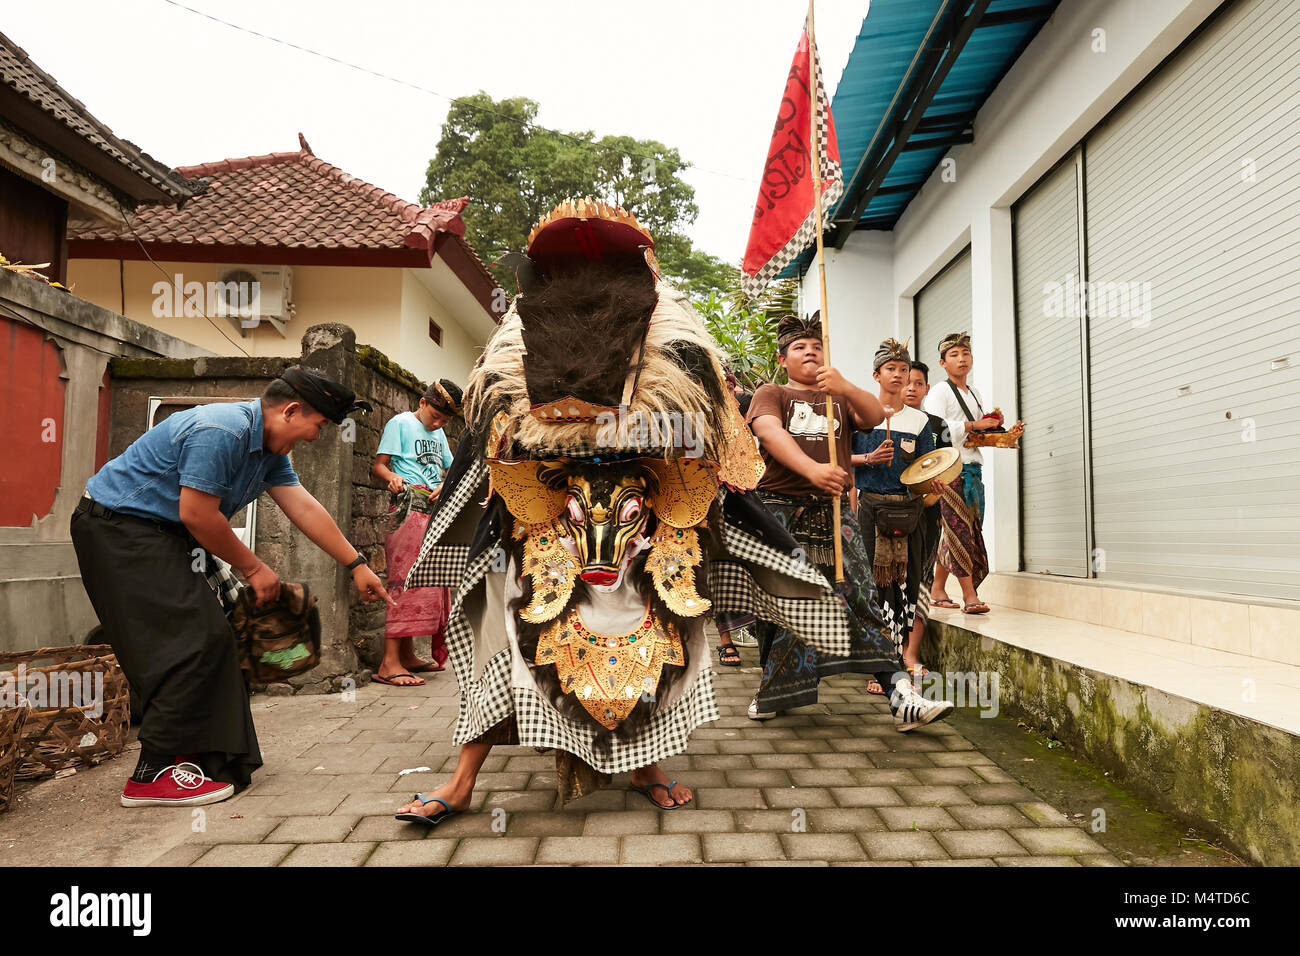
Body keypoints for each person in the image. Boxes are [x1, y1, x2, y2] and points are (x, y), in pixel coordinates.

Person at [391, 199, 865, 824]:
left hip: (648, 519)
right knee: (501, 638)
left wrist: (656, 442)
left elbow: (712, 437)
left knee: (661, 643)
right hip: (541, 514)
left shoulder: (675, 338)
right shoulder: (514, 343)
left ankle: (645, 763)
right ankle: (462, 778)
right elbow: (491, 436)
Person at [71, 366, 394, 807]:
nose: (316, 437)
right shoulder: (221, 431)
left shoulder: (268, 449)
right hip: (119, 532)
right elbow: (199, 515)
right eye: (318, 426)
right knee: (189, 642)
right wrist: (255, 569)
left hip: (162, 536)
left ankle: (199, 756)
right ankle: (149, 776)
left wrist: (356, 564)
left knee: (217, 637)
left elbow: (302, 505)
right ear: (292, 410)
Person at [743, 314, 953, 730]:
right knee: (783, 605)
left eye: (817, 347)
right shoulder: (772, 393)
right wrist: (812, 469)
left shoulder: (838, 398)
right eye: (800, 348)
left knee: (861, 596)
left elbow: (877, 414)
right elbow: (768, 433)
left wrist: (845, 387)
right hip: (778, 510)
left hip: (834, 512)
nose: (810, 352)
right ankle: (771, 689)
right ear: (783, 359)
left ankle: (900, 696)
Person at [851, 339, 945, 689]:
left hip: (910, 511)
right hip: (871, 507)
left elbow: (924, 467)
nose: (899, 375)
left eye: (904, 370)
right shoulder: (860, 415)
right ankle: (882, 665)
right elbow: (839, 459)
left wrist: (931, 484)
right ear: (876, 374)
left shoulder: (919, 421)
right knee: (874, 587)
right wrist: (866, 460)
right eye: (891, 369)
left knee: (907, 584)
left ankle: (902, 658)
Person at [369, 379, 462, 687]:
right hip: (407, 508)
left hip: (431, 512)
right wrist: (392, 477)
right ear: (422, 403)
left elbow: (449, 470)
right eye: (435, 416)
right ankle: (389, 662)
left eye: (444, 421)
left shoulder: (439, 433)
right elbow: (379, 466)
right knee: (404, 579)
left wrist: (443, 486)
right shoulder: (401, 423)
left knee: (426, 578)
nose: (438, 424)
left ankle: (407, 655)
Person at [922, 332, 999, 613]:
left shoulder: (974, 392)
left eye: (965, 353)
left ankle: (937, 588)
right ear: (943, 363)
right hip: (950, 469)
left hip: (972, 468)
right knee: (959, 530)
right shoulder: (940, 392)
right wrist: (973, 427)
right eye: (954, 355)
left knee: (965, 529)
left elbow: (973, 430)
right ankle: (970, 595)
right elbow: (934, 428)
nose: (961, 359)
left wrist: (992, 430)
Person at [902, 360, 950, 657]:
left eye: (918, 383)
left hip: (928, 514)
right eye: (906, 380)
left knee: (922, 577)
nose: (910, 387)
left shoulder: (937, 426)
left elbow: (945, 465)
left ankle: (911, 653)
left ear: (926, 389)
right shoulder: (879, 420)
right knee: (890, 582)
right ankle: (889, 658)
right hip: (887, 513)